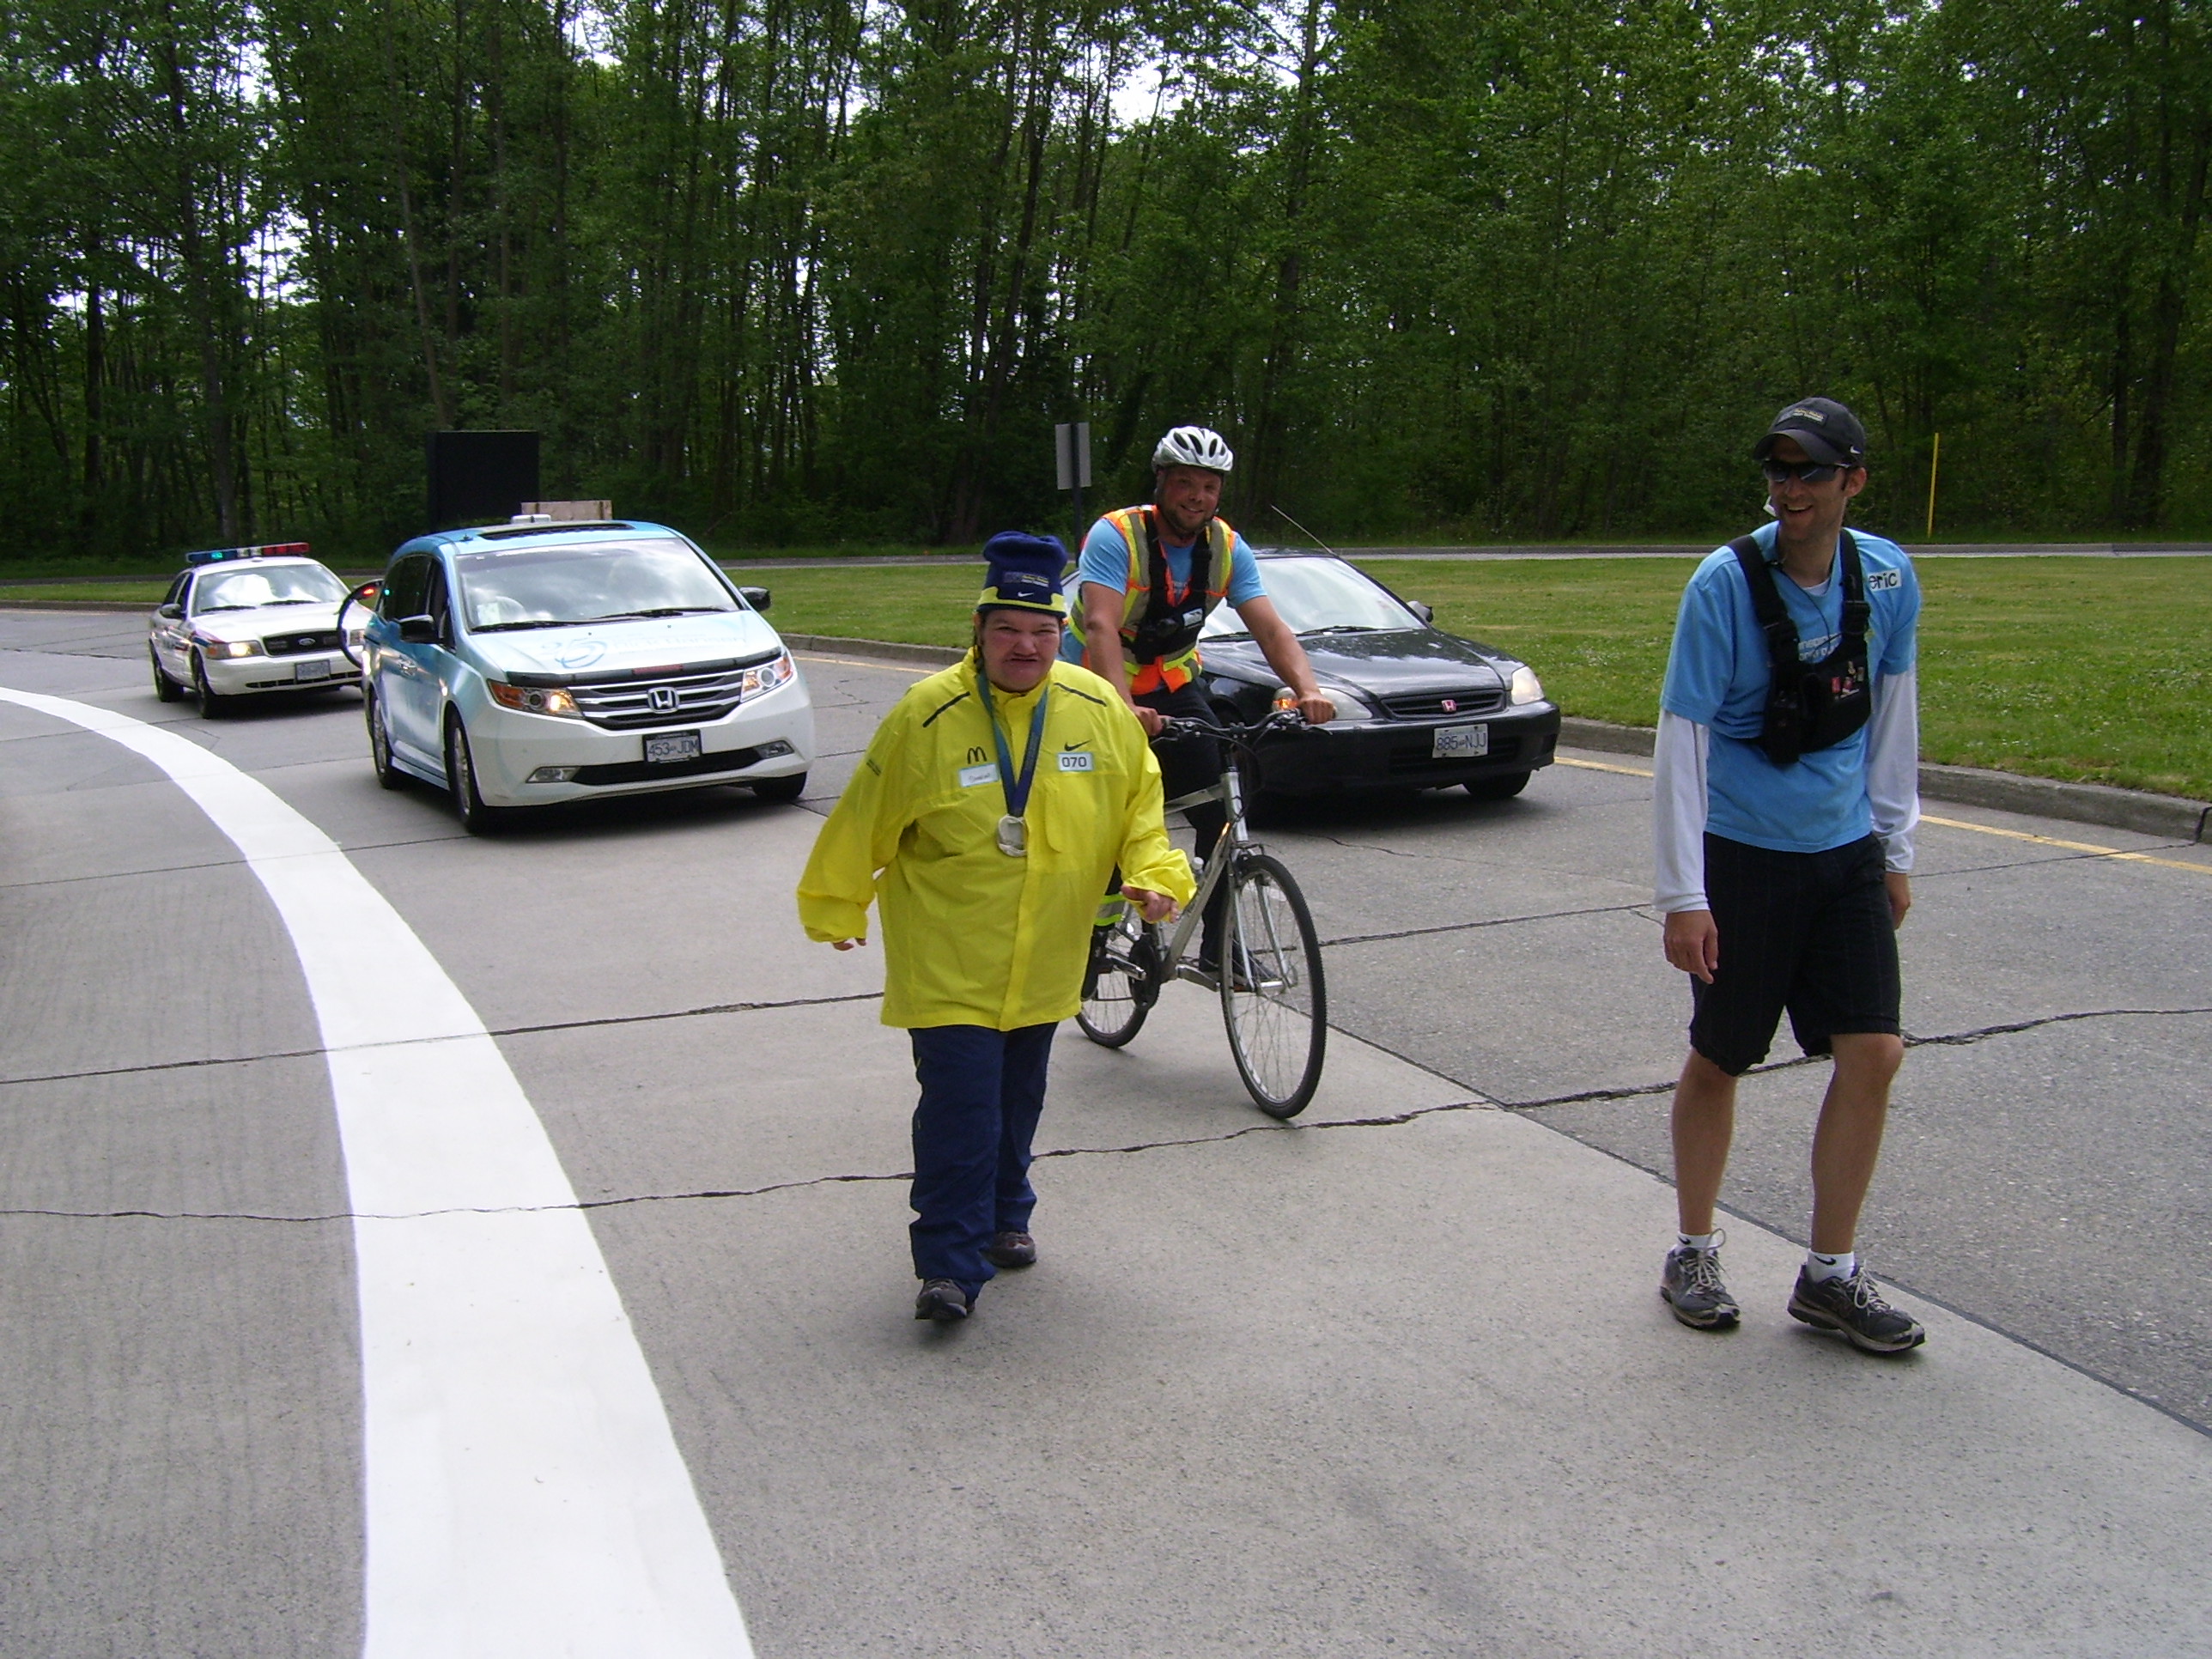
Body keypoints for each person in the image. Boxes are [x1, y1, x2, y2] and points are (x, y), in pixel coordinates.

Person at [796, 532, 1196, 1324]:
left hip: (1049, 952)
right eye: (1008, 629)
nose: (1027, 647)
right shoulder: (929, 714)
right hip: (950, 958)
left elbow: (1139, 814)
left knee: (1019, 1096)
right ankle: (948, 1264)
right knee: (961, 1108)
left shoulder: (1096, 709)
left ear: (1062, 634)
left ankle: (1008, 1212)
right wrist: (841, 903)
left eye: (1043, 631)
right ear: (978, 631)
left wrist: (1156, 877)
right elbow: (865, 816)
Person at [1650, 397, 1928, 1355]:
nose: (1789, 488)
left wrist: (1893, 851)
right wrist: (1682, 894)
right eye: (1777, 470)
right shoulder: (1723, 584)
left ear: (1851, 480)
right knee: (1720, 1057)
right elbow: (1681, 739)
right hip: (1741, 855)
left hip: (1842, 853)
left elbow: (1893, 716)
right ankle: (1692, 1248)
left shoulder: (1886, 577)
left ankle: (1828, 1276)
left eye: (1810, 471)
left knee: (1874, 1051)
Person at [1060, 425, 1332, 969]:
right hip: (1095, 685)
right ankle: (1093, 935)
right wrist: (1121, 707)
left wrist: (1307, 689)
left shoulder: (1226, 547)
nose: (1197, 497)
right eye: (1185, 483)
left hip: (1174, 685)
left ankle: (1219, 948)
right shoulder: (1118, 536)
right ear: (1161, 482)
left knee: (1220, 810)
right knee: (1109, 817)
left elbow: (1272, 630)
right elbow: (1100, 627)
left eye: (1209, 487)